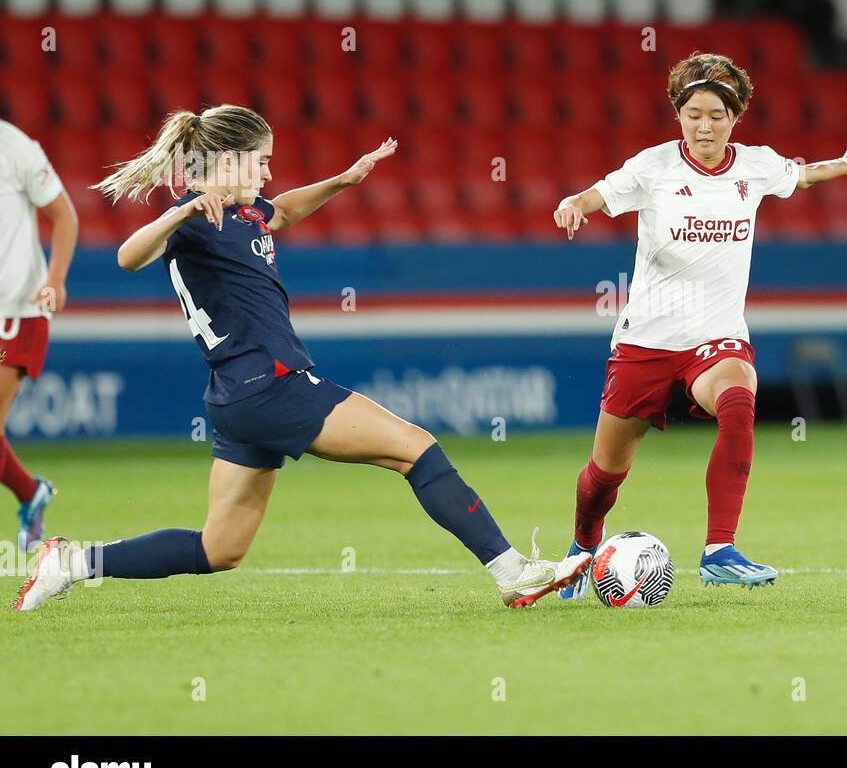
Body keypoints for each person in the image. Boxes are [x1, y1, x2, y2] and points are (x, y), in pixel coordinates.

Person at [14, 105, 588, 612]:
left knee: (220, 548)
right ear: (227, 161)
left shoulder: (246, 214)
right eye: (259, 161)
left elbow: (281, 212)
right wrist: (183, 212)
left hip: (237, 397)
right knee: (417, 449)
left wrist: (344, 179)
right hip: (275, 385)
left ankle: (73, 562)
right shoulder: (198, 219)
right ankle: (510, 572)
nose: (267, 172)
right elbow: (126, 256)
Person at [549, 52, 847, 596]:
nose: (704, 125)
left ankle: (719, 550)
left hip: (715, 336)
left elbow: (799, 177)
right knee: (605, 474)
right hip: (647, 340)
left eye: (716, 115)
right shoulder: (653, 167)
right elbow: (599, 194)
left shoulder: (754, 166)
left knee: (738, 398)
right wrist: (573, 203)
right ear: (678, 115)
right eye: (693, 114)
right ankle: (584, 545)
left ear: (735, 118)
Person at [0, 119, 78, 550]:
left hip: (17, 312)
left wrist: (56, 279)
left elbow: (64, 214)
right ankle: (31, 493)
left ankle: (31, 494)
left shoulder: (15, 147)